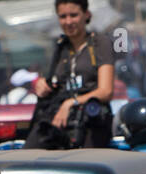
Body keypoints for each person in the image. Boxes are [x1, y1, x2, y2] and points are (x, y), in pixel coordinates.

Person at [26, 0, 116, 149]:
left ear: (86, 15)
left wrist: (71, 103)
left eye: (73, 15)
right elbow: (51, 81)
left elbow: (106, 91)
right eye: (63, 16)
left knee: (84, 166)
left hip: (91, 118)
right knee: (28, 156)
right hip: (59, 116)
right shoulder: (60, 47)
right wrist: (42, 84)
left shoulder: (100, 43)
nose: (68, 22)